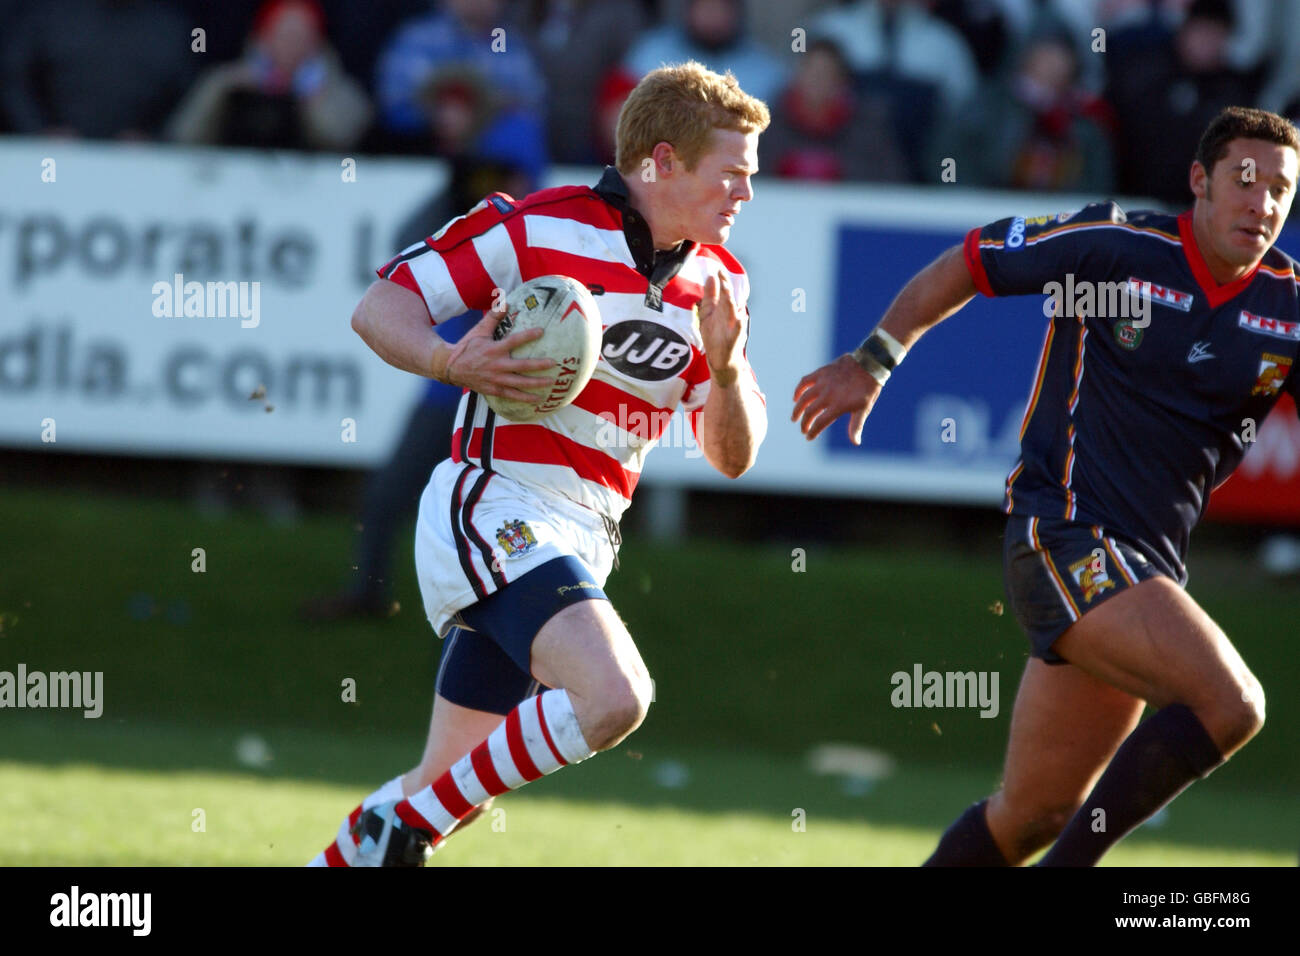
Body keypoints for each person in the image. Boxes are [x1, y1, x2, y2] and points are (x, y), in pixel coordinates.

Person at [793, 106, 1297, 866]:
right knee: (1231, 703)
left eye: (1280, 191)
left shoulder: (1287, 310)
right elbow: (970, 260)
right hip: (1061, 535)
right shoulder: (1117, 245)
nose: (1261, 205)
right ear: (1200, 181)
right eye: (1246, 181)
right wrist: (873, 360)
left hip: (1142, 574)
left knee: (1031, 816)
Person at [310, 61, 769, 866]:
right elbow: (380, 307)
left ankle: (393, 832)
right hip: (494, 503)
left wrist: (727, 373)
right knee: (615, 697)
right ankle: (410, 830)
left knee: (445, 786)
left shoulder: (719, 283)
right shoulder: (537, 227)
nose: (746, 194)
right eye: (732, 174)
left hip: (588, 535)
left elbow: (732, 457)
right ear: (661, 162)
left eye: (751, 177)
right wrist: (452, 363)